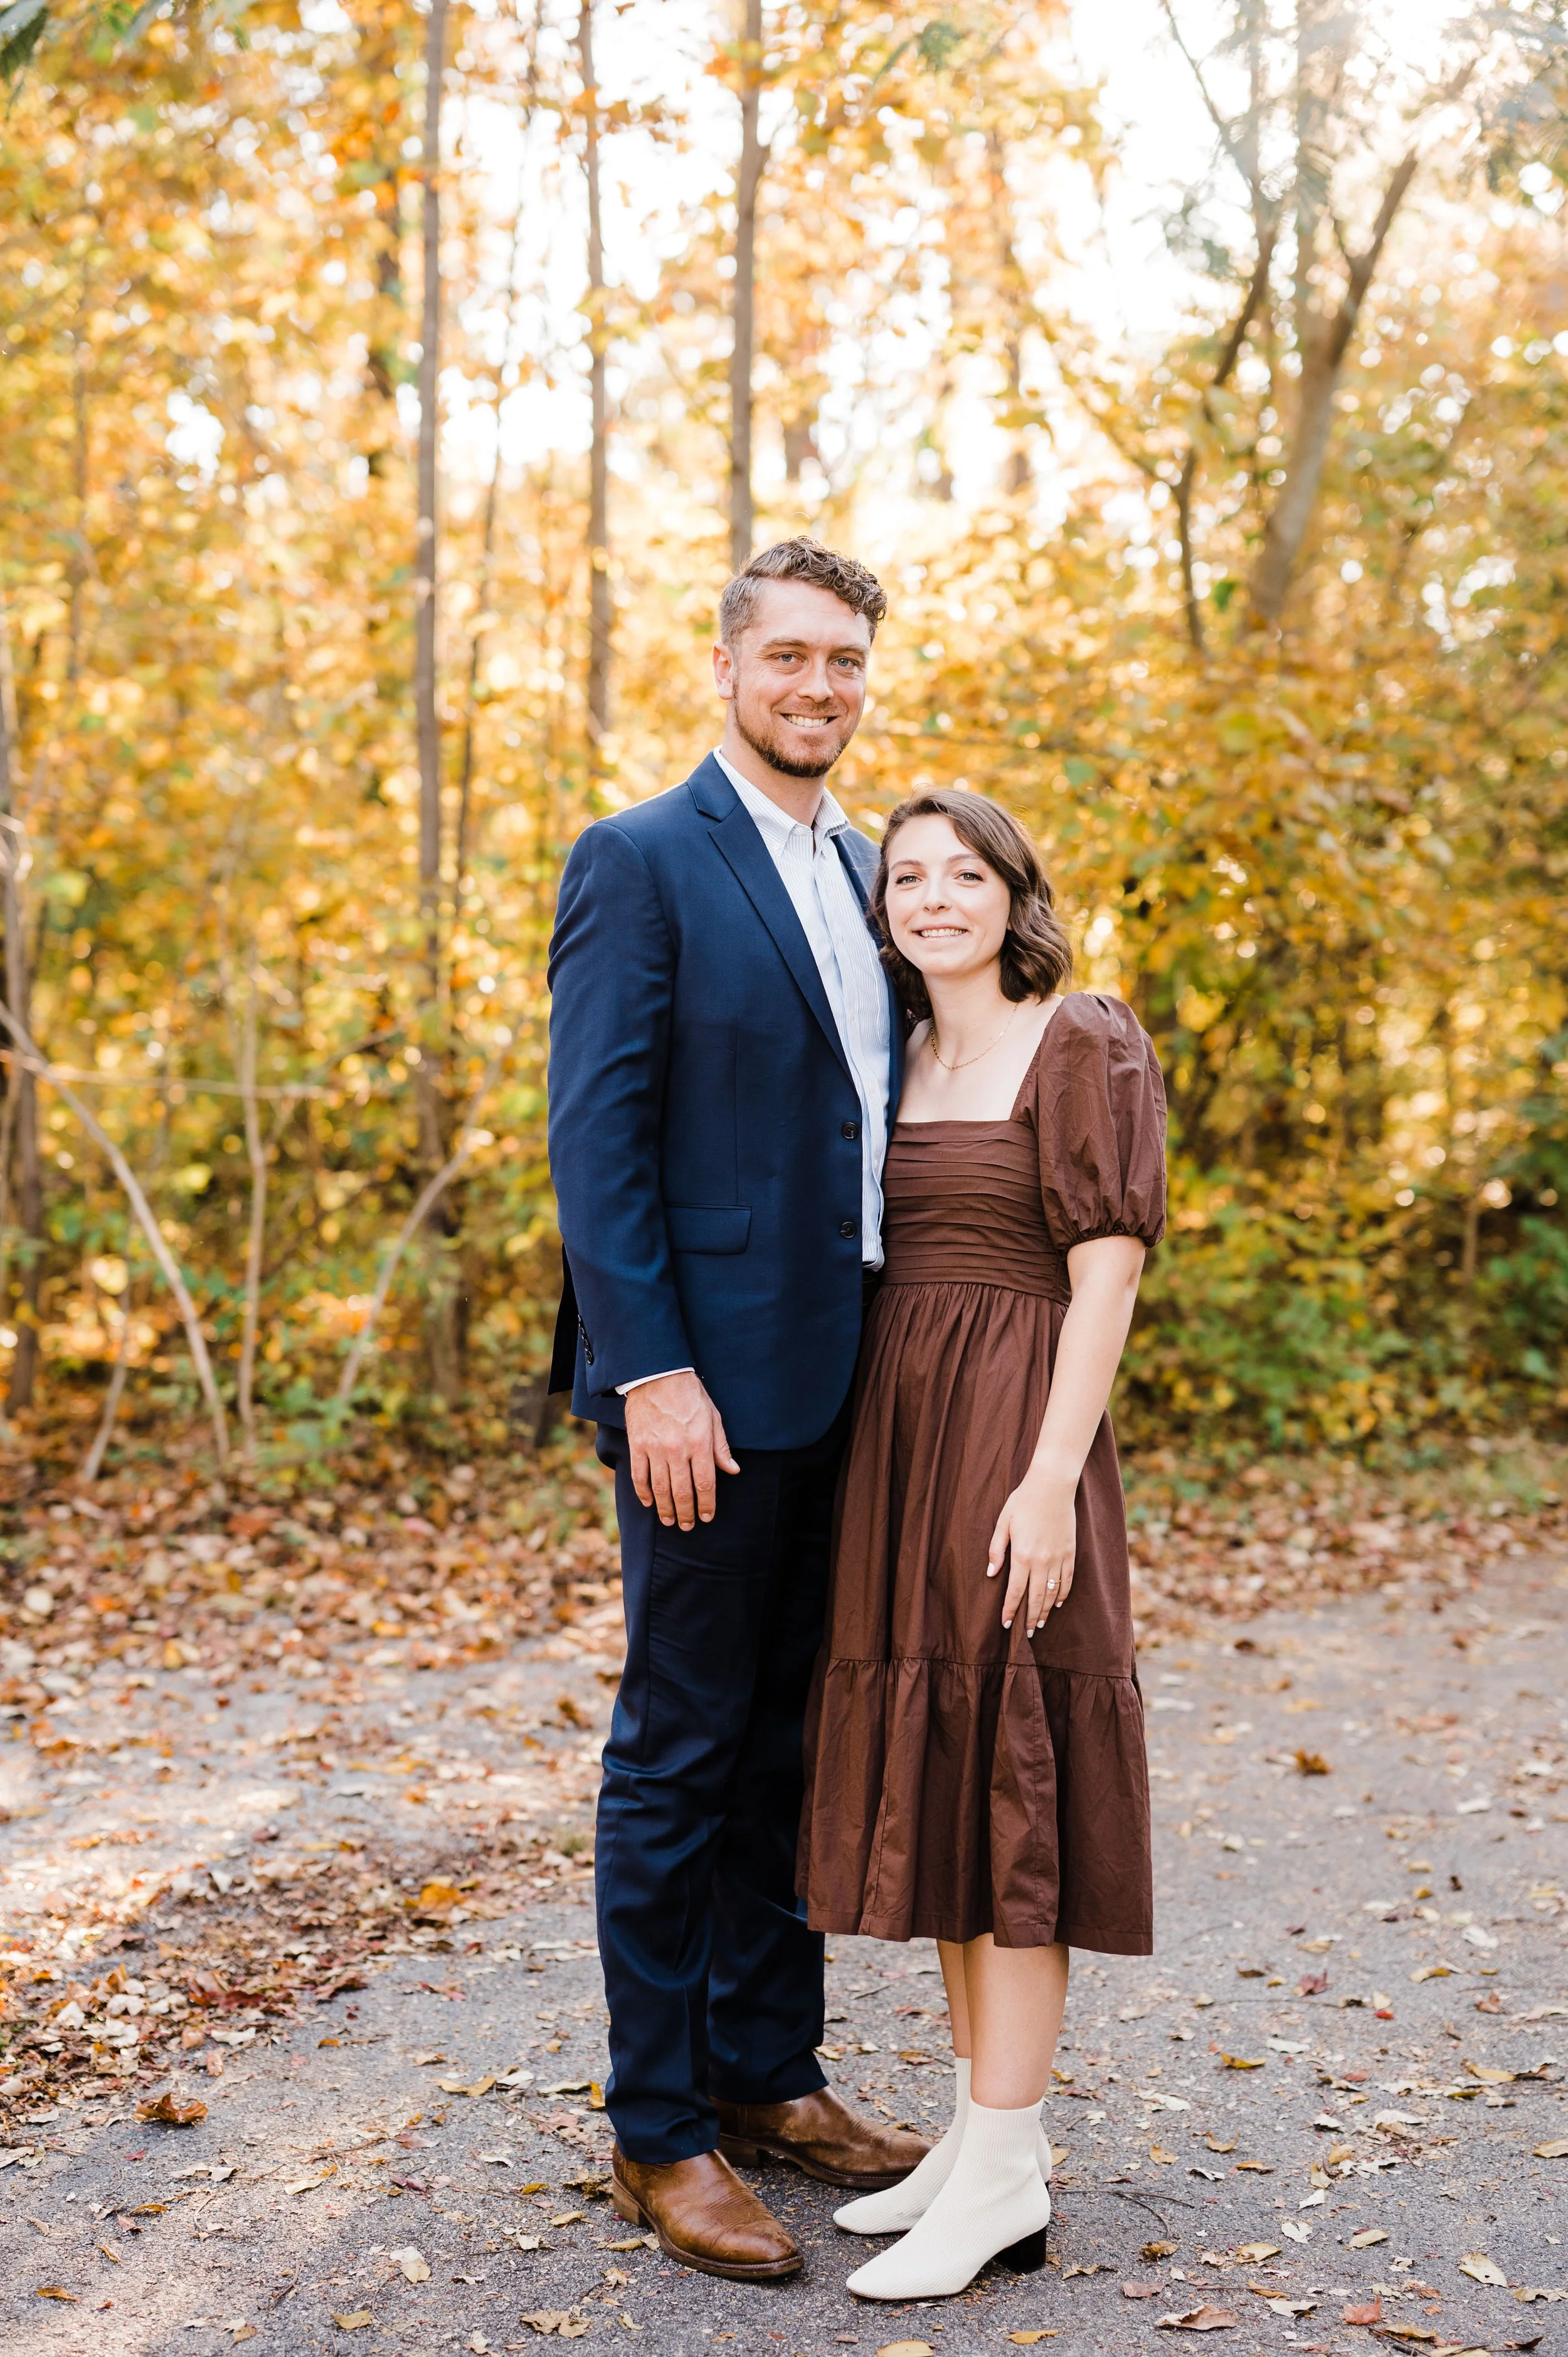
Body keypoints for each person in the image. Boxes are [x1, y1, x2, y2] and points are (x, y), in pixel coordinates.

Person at [546, 538, 928, 2283]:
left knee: (794, 1736)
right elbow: (597, 1138)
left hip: (848, 1379)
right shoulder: (639, 859)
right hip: (698, 1387)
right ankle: (659, 2124)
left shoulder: (870, 870)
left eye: (844, 660)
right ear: (726, 665)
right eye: (788, 655)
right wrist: (648, 1371)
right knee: (681, 1743)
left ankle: (771, 2070)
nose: (818, 687)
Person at [797, 789, 1168, 2301]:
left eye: (965, 873)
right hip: (906, 1437)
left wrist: (1044, 1476)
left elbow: (1108, 1272)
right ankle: (972, 2130)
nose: (933, 896)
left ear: (1014, 894)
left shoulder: (1080, 1034)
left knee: (1009, 1772)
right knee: (945, 1767)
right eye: (907, 875)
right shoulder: (902, 1048)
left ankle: (1010, 2164)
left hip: (1020, 1434)